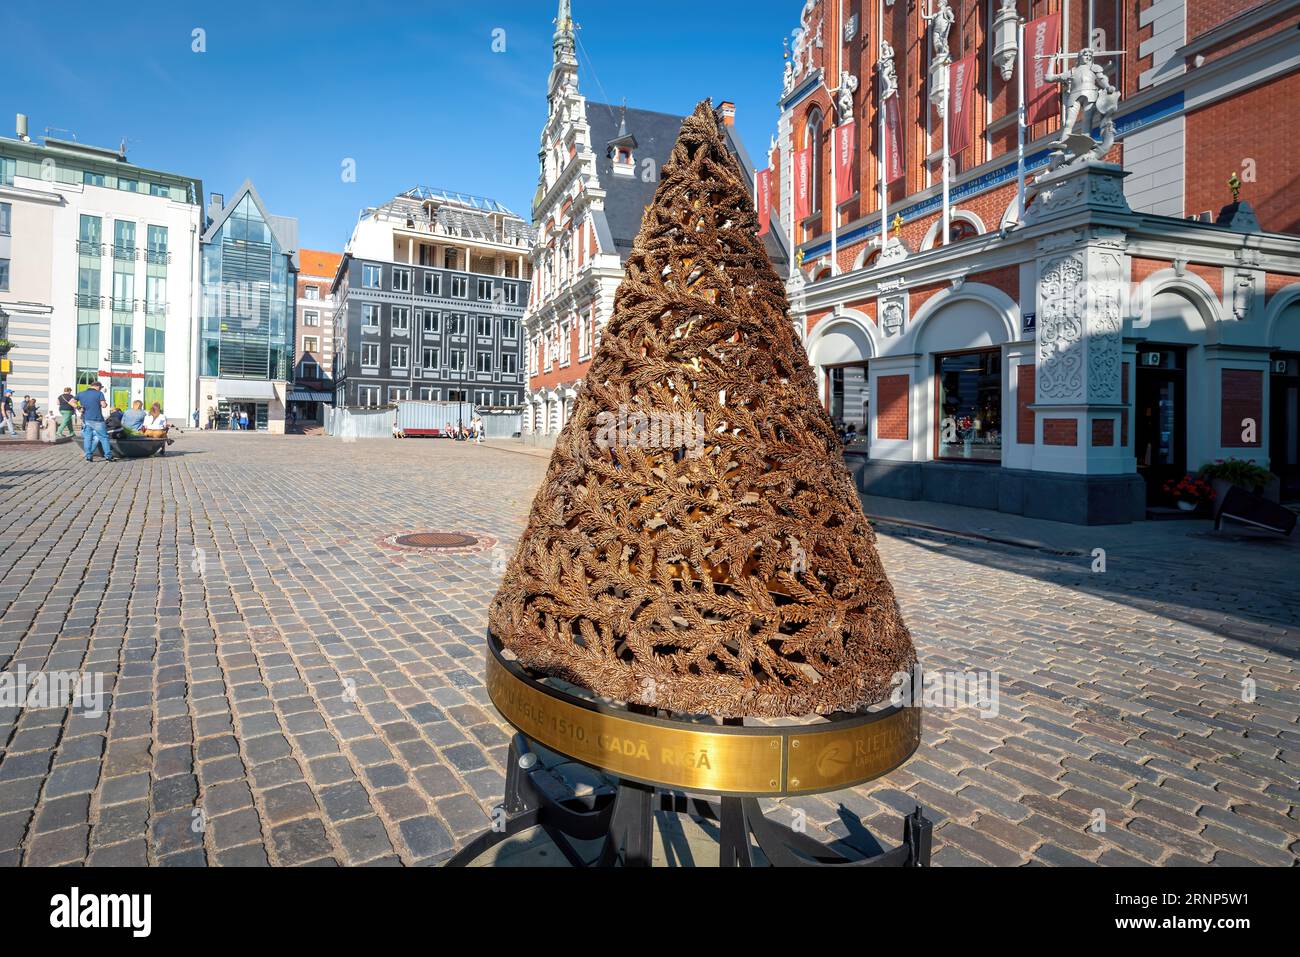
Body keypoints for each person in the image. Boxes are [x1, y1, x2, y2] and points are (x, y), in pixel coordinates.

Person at [75, 381, 113, 462]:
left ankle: (88, 456)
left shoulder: (81, 393)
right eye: (100, 387)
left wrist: (78, 407)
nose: (100, 389)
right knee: (104, 438)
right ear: (97, 386)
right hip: (97, 419)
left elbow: (71, 401)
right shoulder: (99, 394)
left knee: (88, 438)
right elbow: (103, 405)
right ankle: (108, 456)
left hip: (86, 419)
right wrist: (105, 404)